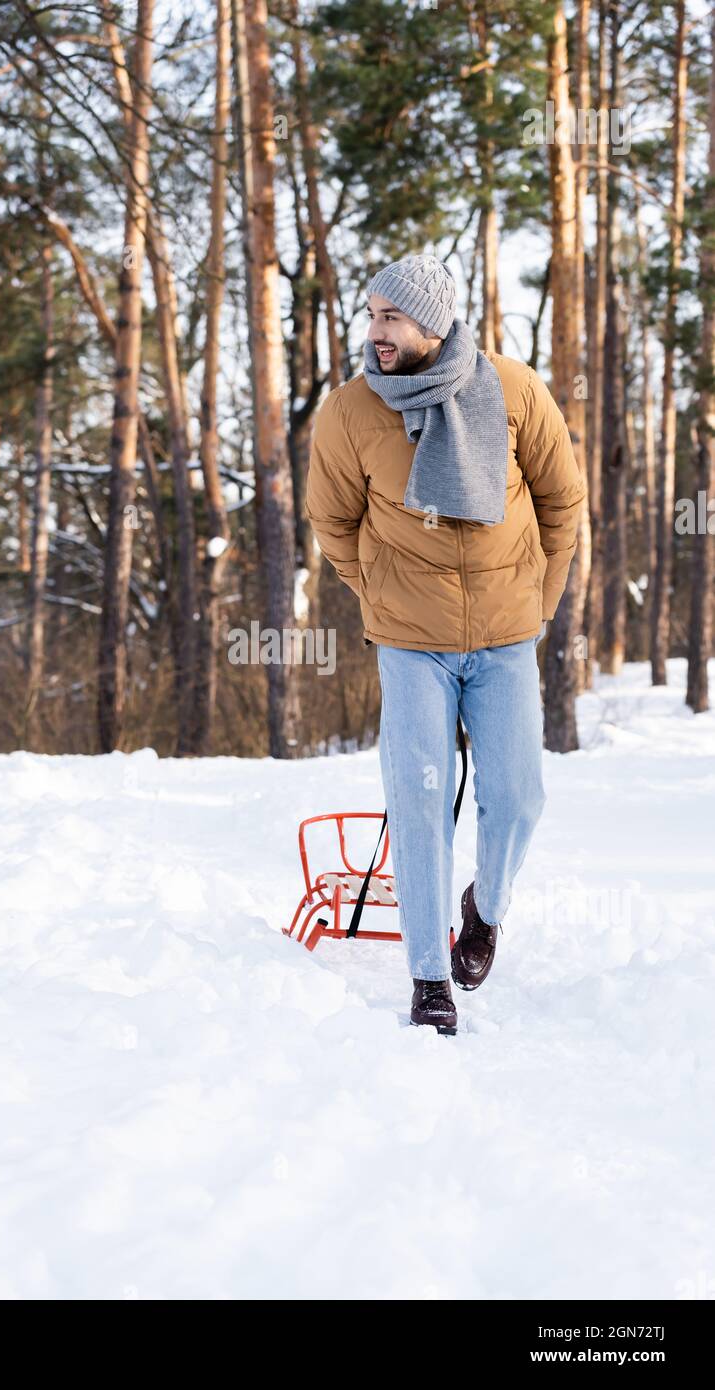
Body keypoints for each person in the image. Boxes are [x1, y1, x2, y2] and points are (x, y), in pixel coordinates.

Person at [305, 252, 587, 1035]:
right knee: (420, 799)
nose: (375, 332)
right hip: (410, 645)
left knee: (519, 796)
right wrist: (384, 596)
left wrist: (539, 600)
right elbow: (332, 522)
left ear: (431, 323)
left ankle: (484, 909)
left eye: (390, 317)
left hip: (503, 638)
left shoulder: (512, 388)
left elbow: (562, 500)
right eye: (369, 315)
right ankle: (428, 974)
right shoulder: (350, 411)